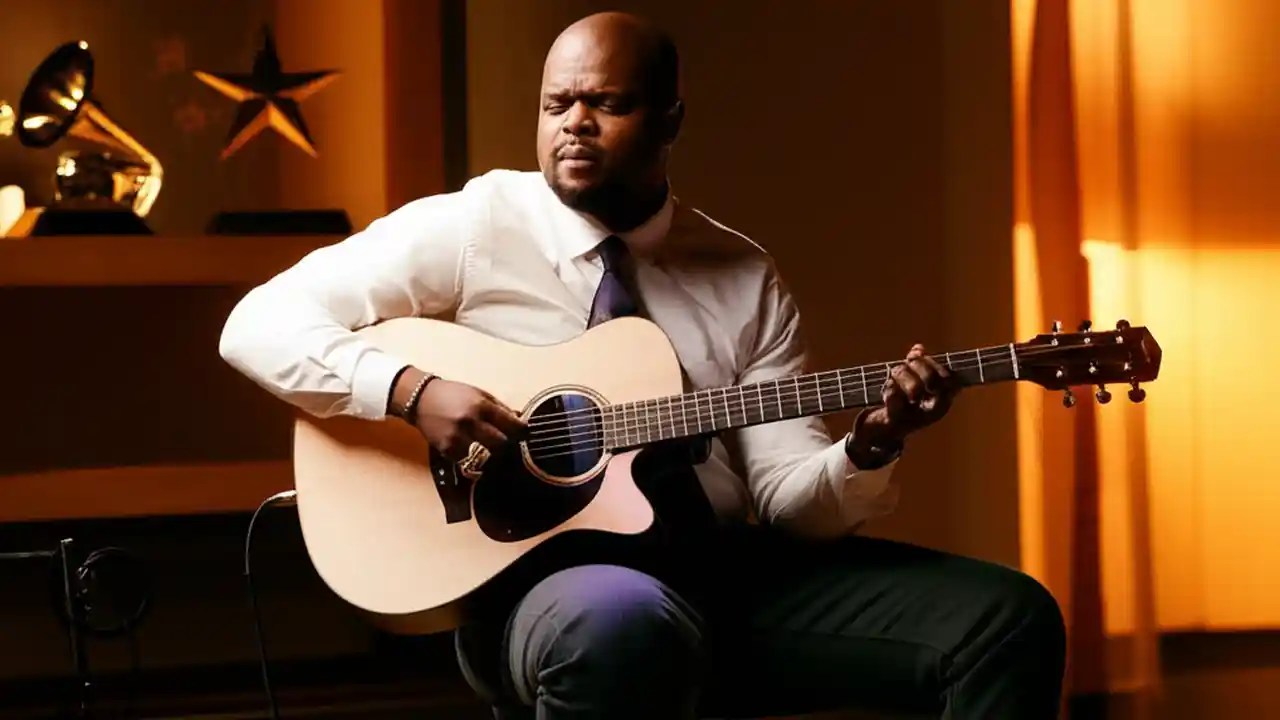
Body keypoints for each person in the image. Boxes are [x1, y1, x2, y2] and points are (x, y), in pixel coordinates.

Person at [219, 11, 1065, 719]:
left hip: (725, 574)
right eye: (558, 104)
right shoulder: (477, 225)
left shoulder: (739, 274)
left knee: (1008, 618)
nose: (574, 124)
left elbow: (787, 504)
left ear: (669, 121)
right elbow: (257, 323)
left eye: (606, 104)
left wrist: (872, 444)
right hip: (542, 583)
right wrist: (411, 389)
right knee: (620, 623)